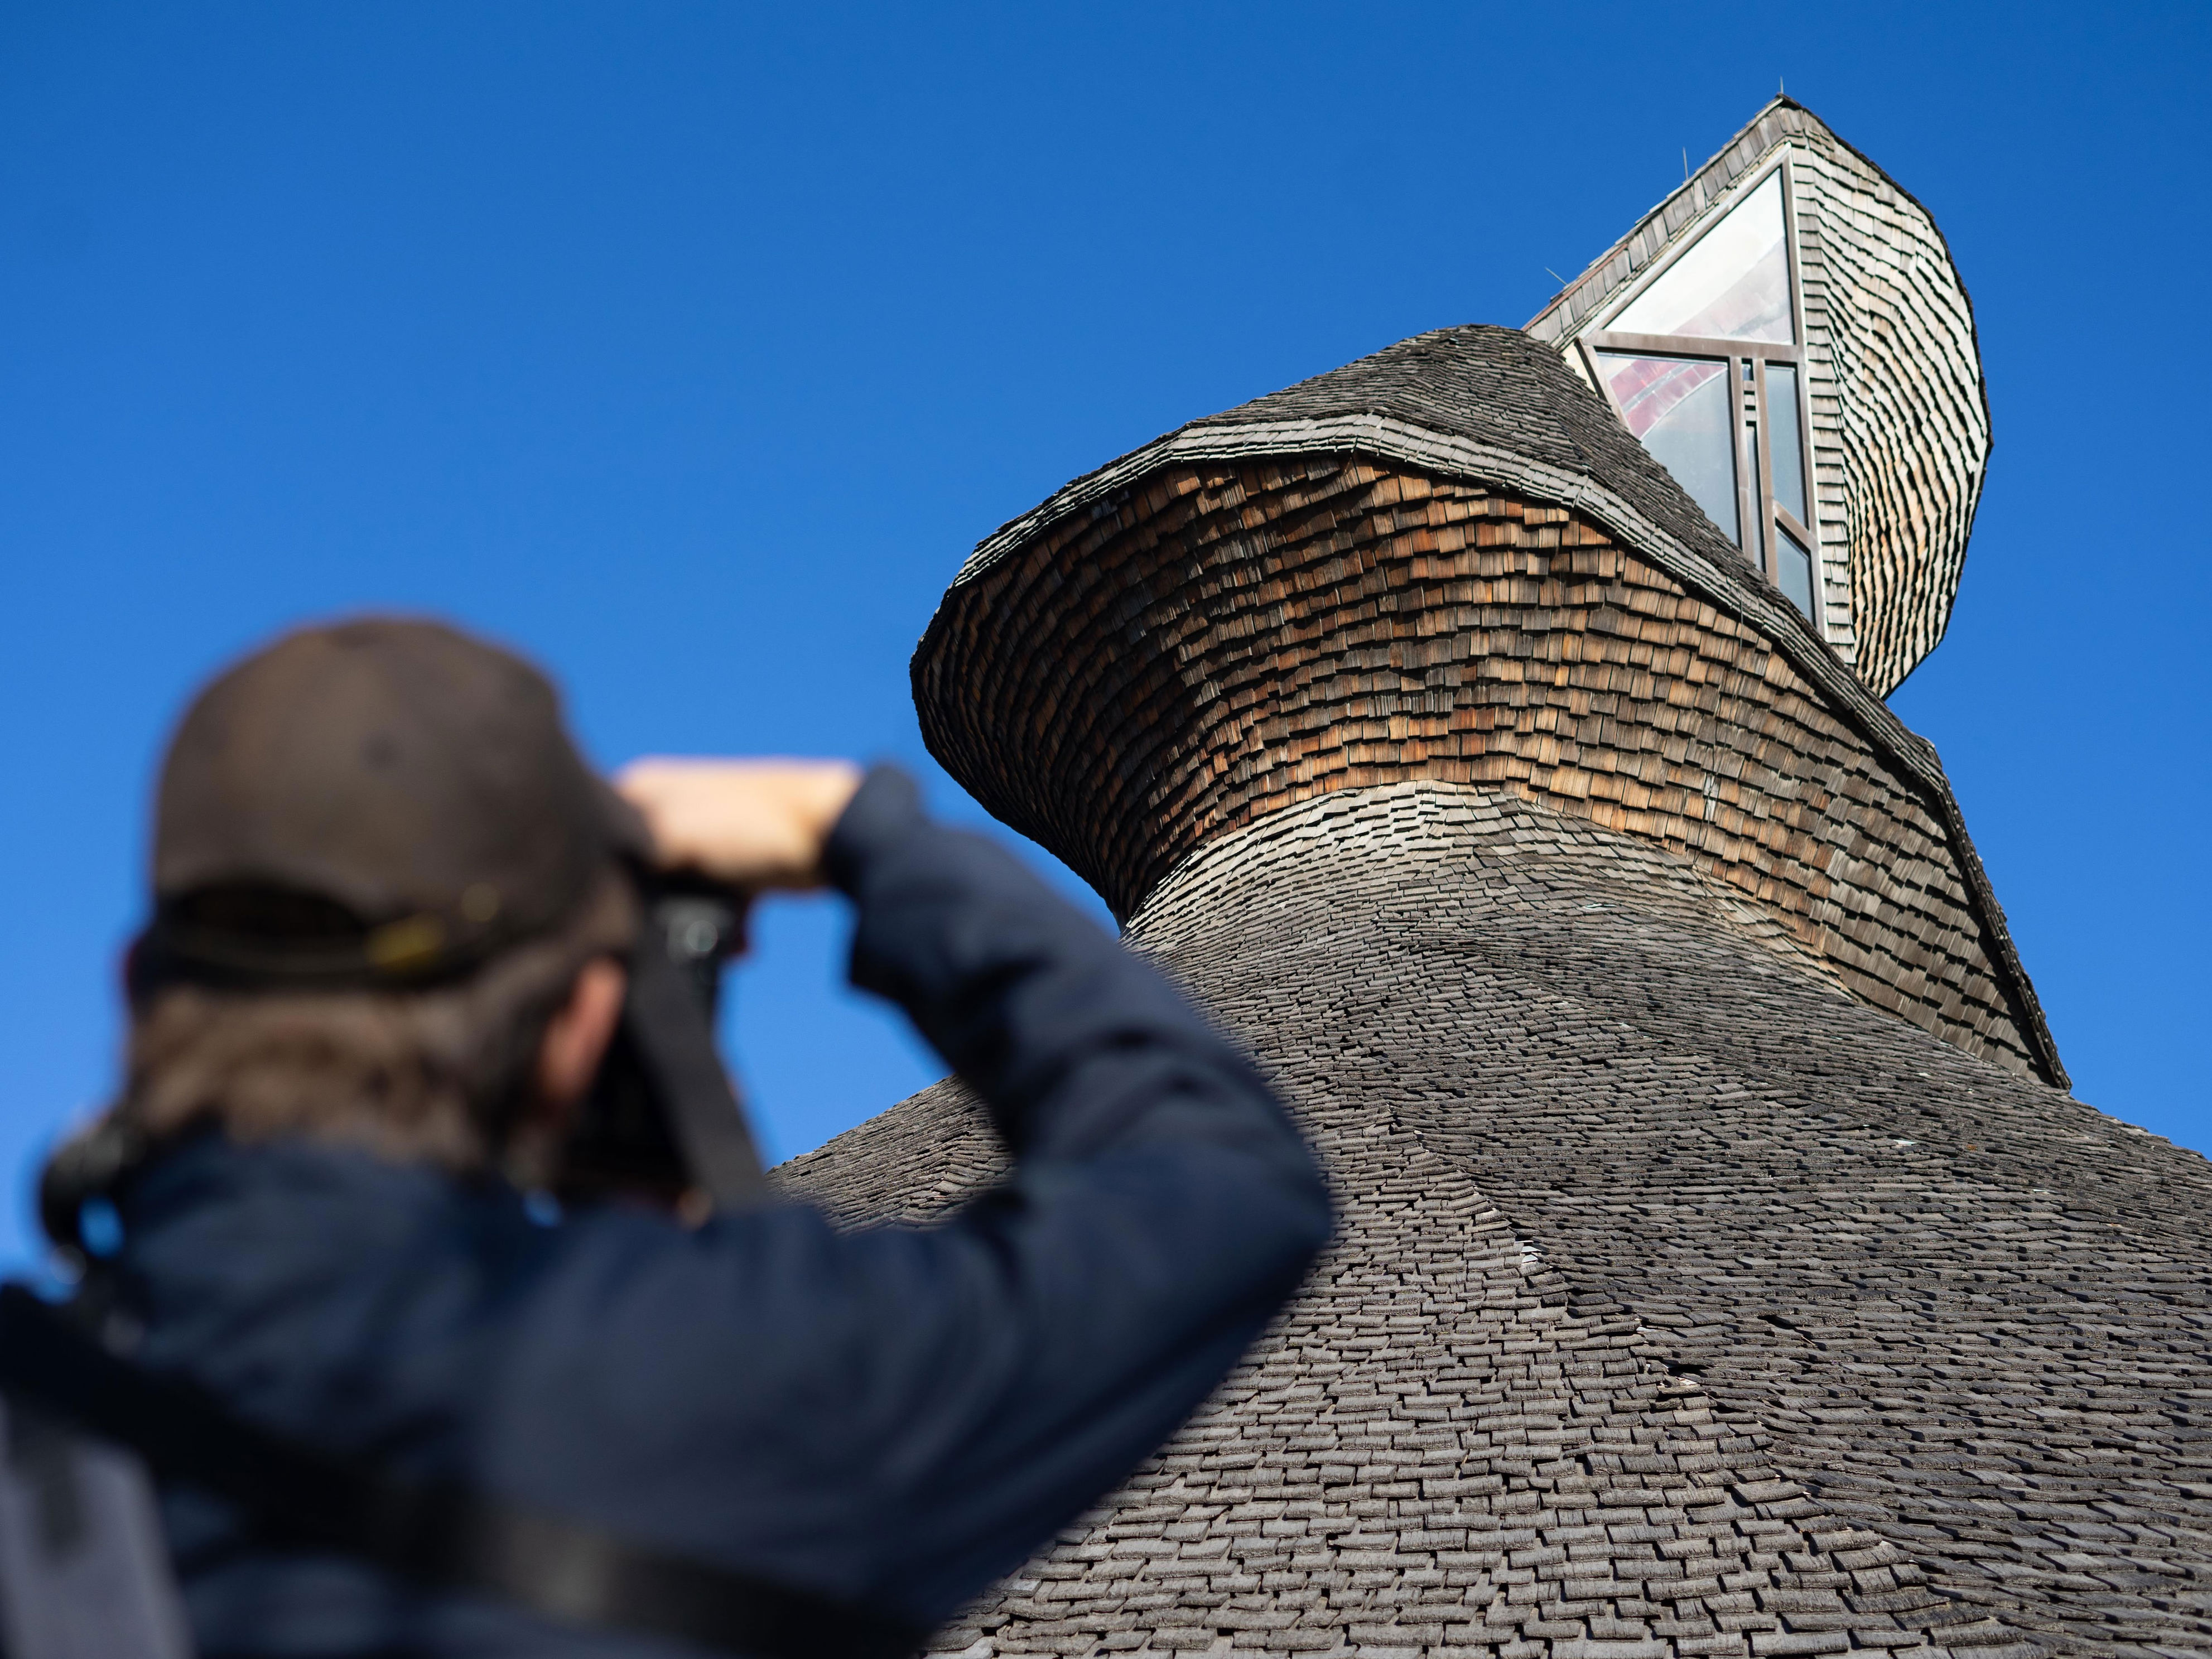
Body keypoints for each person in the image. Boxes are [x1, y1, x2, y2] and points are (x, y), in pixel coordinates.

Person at [32, 616, 1331, 1658]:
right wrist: (858, 835)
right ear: (584, 1008)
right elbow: (1221, 1173)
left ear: (140, 979)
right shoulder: (758, 1382)